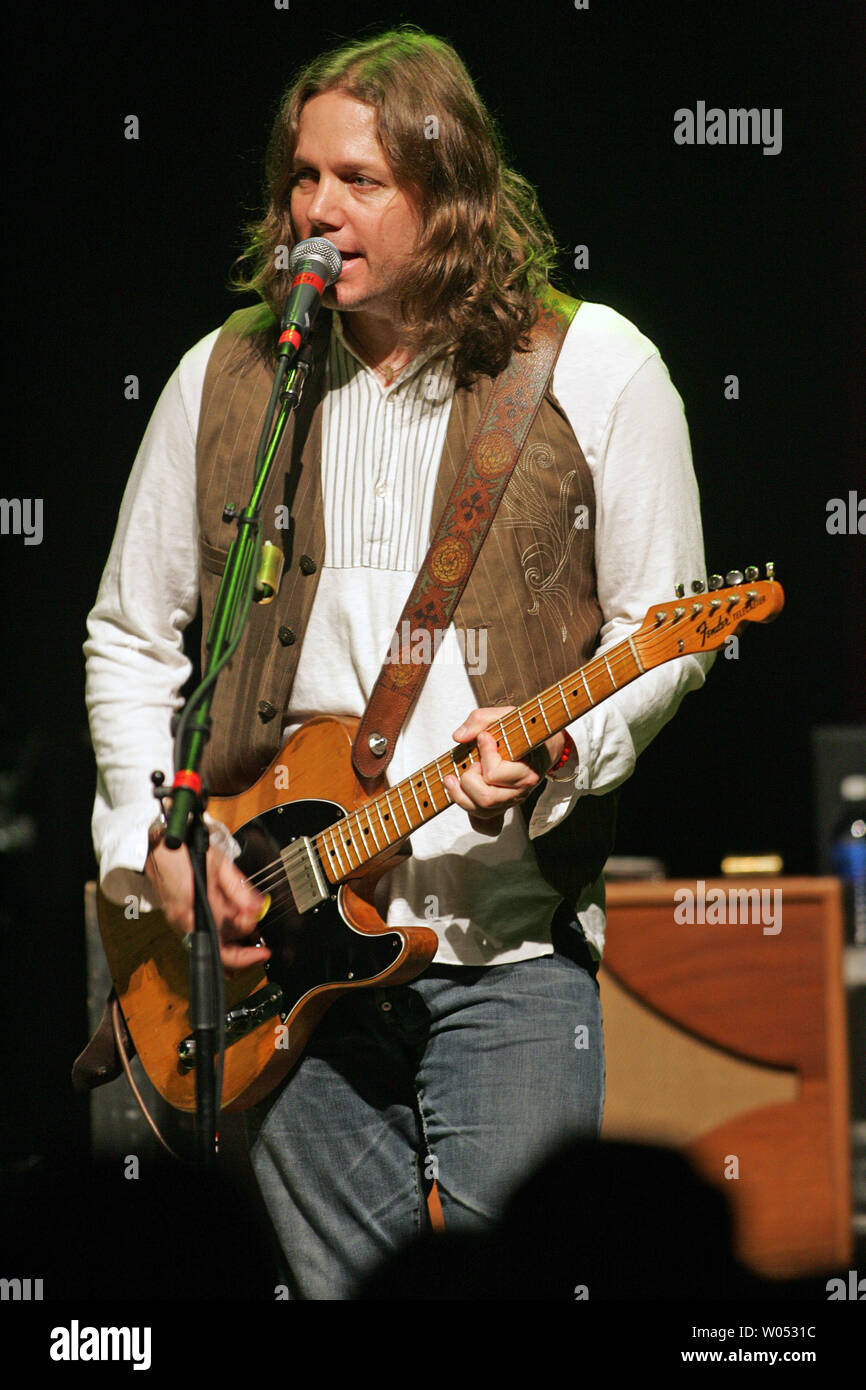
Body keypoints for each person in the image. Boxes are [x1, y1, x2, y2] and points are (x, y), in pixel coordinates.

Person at [85, 26, 713, 1299]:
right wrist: (150, 840)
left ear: (452, 188)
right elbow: (131, 636)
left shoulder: (594, 367)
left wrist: (561, 749)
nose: (315, 208)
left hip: (510, 944)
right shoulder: (221, 378)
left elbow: (662, 639)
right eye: (301, 176)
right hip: (280, 943)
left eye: (358, 179)